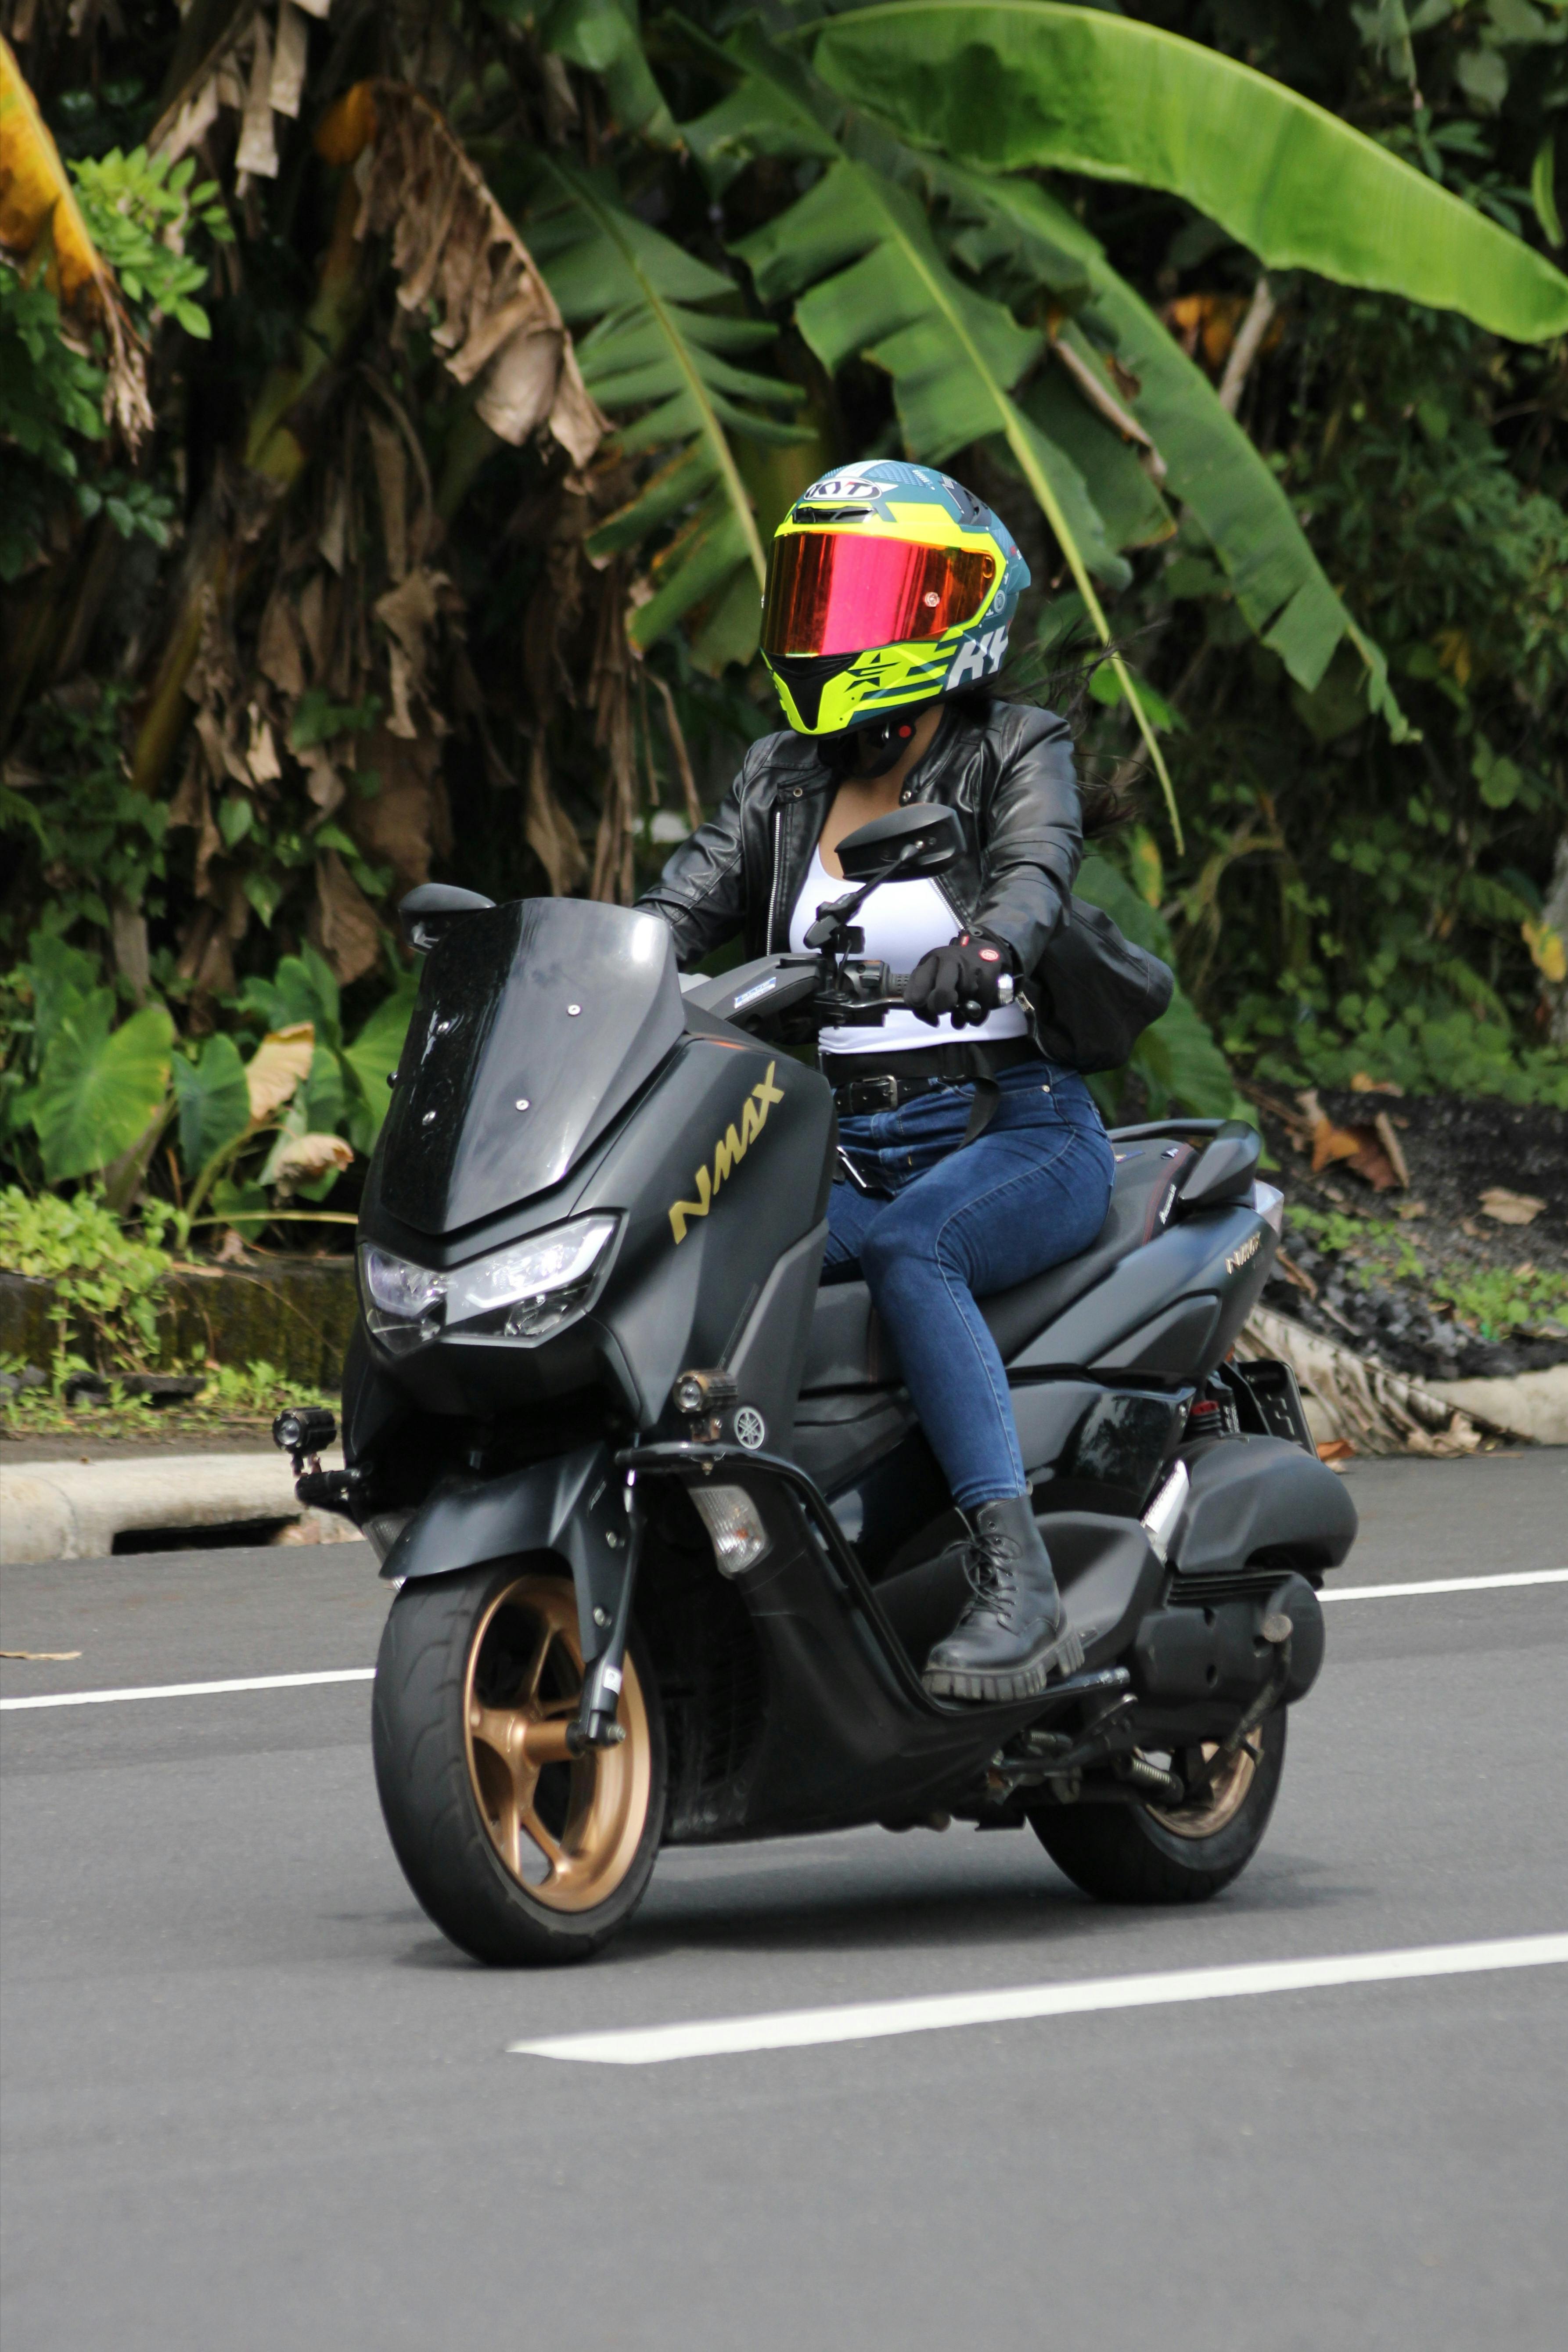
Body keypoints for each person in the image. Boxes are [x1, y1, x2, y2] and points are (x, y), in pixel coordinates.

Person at [639, 460, 1117, 1702]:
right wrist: (586, 971)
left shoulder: (1016, 747)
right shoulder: (783, 775)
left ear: (951, 612)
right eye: (818, 593)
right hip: (846, 1144)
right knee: (692, 1261)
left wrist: (993, 944)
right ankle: (739, 1567)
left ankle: (1019, 1588)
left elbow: (1034, 868)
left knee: (918, 1251)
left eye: (865, 595)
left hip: (1015, 1127)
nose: (831, 624)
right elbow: (678, 904)